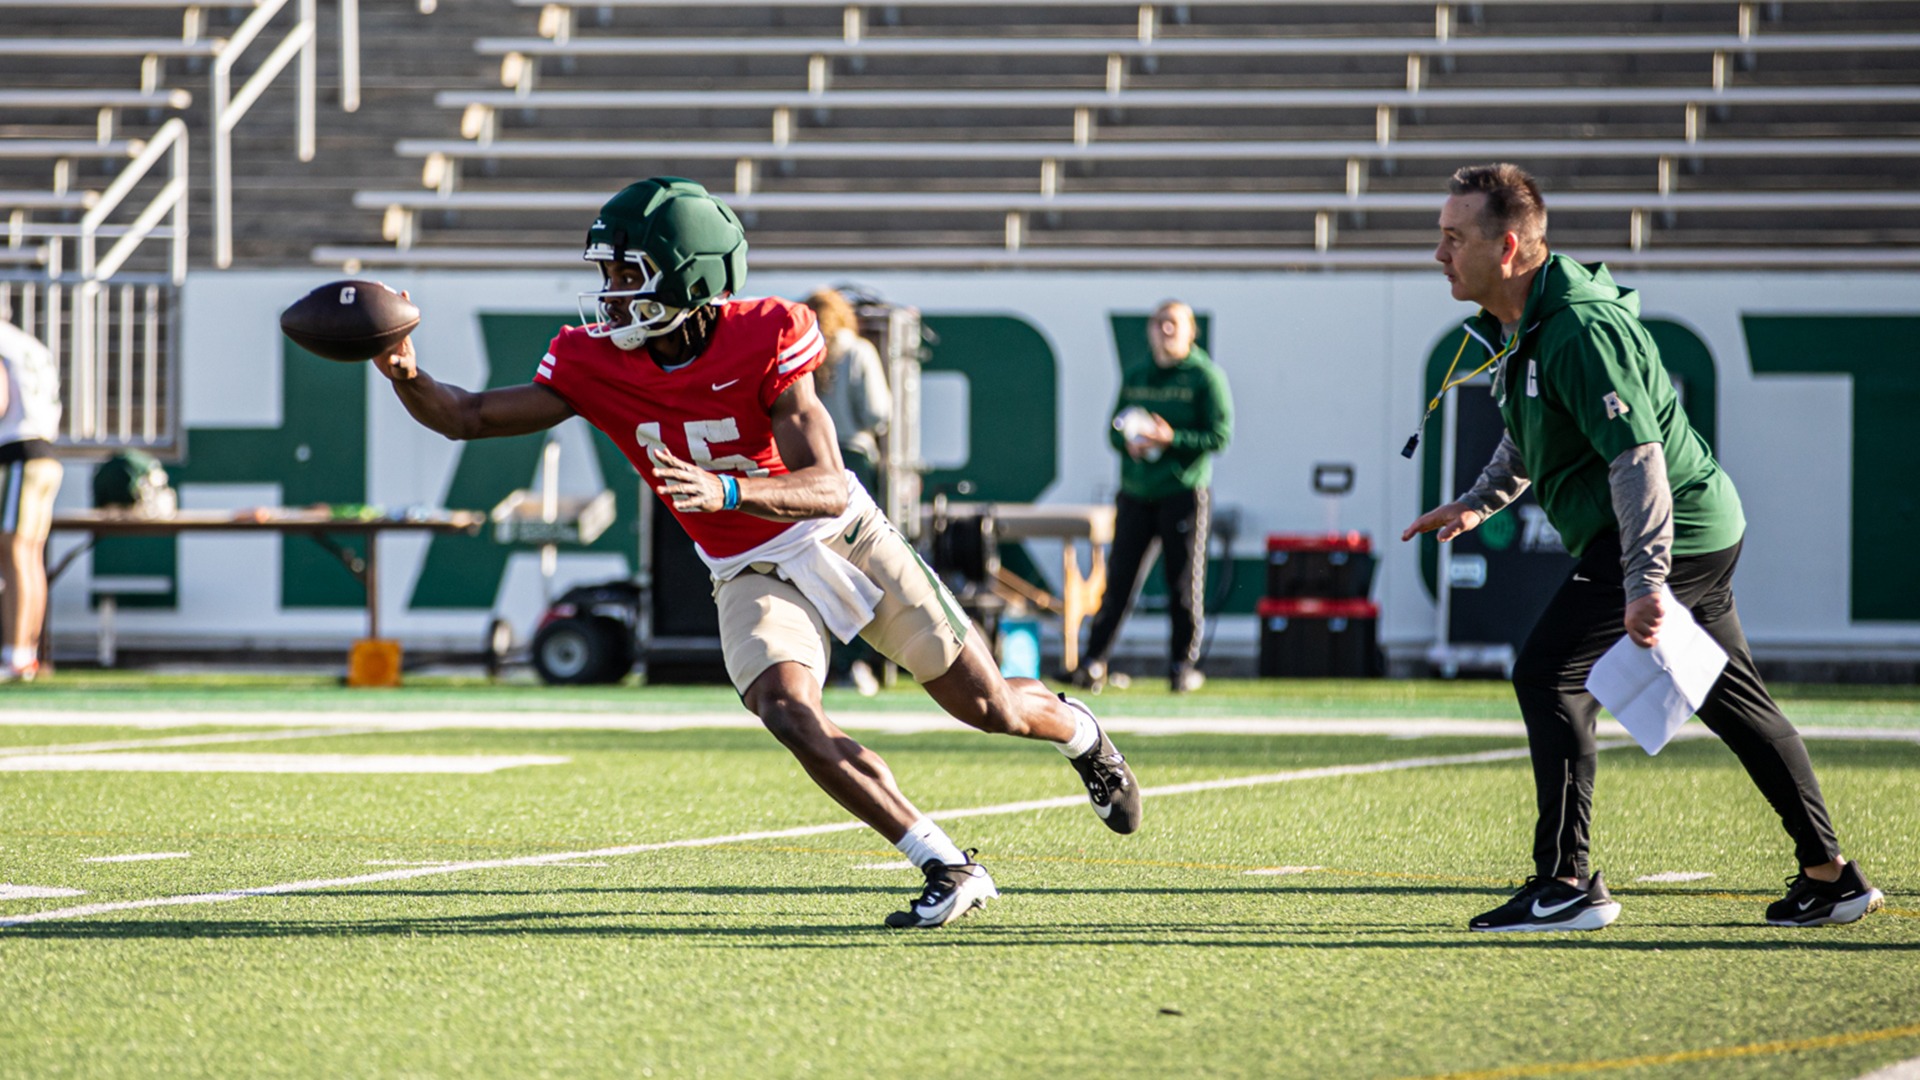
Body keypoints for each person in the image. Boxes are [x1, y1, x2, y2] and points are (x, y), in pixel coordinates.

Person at [371, 177, 1141, 928]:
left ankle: (1080, 733)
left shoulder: (766, 332)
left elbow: (832, 486)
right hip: (745, 568)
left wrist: (729, 493)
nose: (606, 293)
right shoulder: (593, 358)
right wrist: (404, 368)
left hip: (841, 539)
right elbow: (465, 415)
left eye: (623, 273)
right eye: (604, 273)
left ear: (686, 277)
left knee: (991, 708)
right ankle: (945, 863)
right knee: (786, 709)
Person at [1403, 162, 1881, 931]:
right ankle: (1832, 877)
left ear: (1508, 248)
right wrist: (1473, 503)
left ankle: (1564, 884)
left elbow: (1638, 458)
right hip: (1698, 530)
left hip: (1675, 533)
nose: (1438, 254)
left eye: (1452, 238)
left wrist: (1645, 581)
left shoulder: (1579, 329)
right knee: (1732, 699)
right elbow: (1531, 438)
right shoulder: (1527, 324)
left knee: (1548, 674)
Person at [1075, 300, 1232, 694]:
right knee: (1119, 584)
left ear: (1191, 331)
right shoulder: (1137, 373)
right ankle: (1093, 663)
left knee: (1182, 586)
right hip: (1135, 492)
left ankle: (1182, 667)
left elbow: (1219, 436)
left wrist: (1171, 439)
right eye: (1159, 322)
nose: (1164, 331)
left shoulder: (1204, 377)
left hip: (1182, 492)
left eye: (1173, 324)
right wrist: (1129, 442)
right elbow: (1113, 430)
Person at [804, 287, 891, 696]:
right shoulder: (857, 351)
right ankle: (860, 662)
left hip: (808, 467)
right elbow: (877, 412)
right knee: (860, 566)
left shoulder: (802, 355)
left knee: (817, 567)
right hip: (853, 462)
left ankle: (826, 661)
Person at [0, 318, 63, 683]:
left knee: (14, 554)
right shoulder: (29, 344)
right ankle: (25, 652)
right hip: (45, 452)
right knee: (29, 555)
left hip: (19, 452)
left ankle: (16, 654)